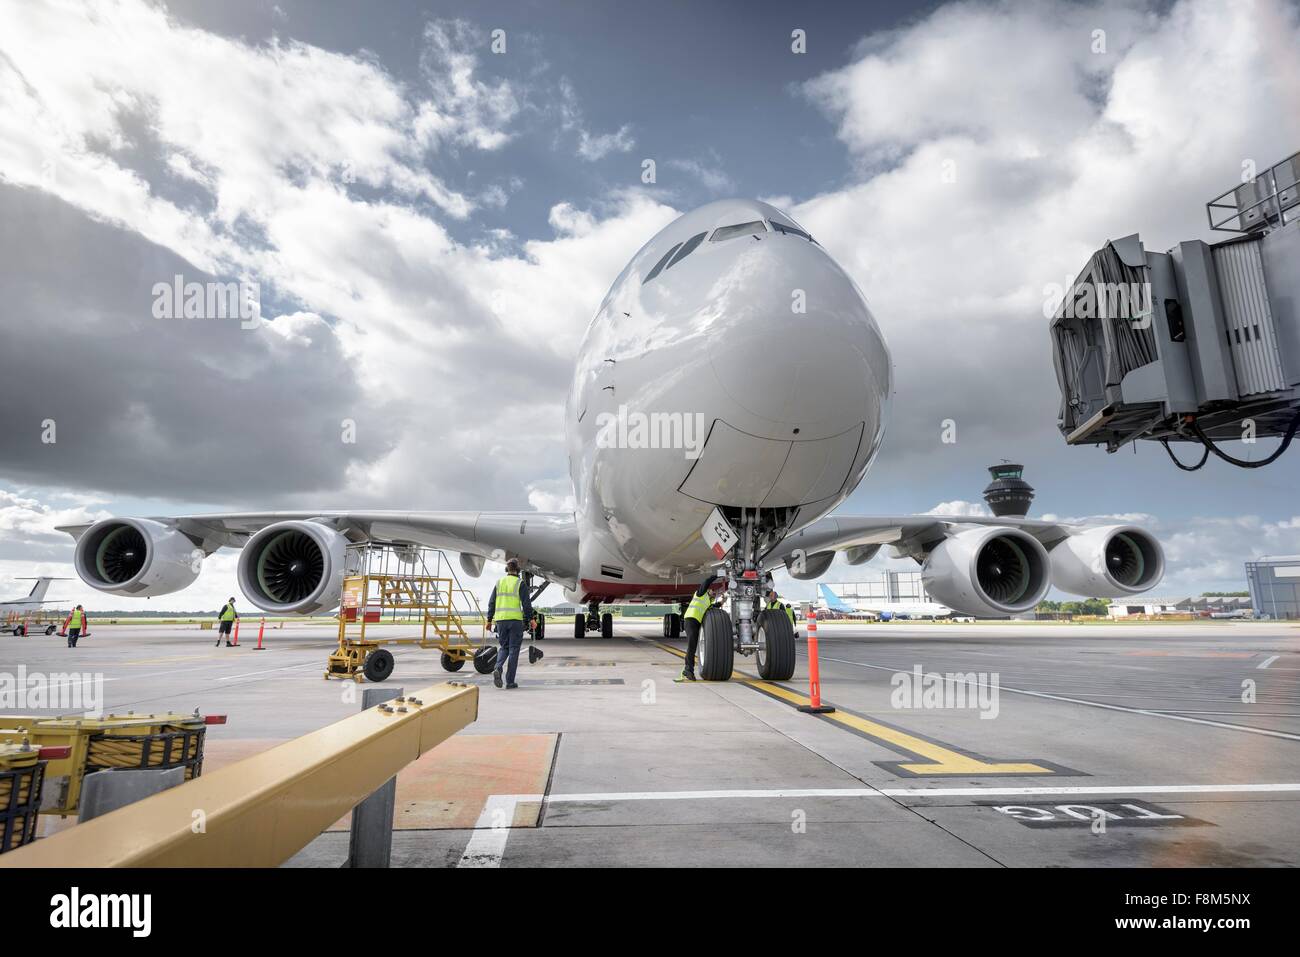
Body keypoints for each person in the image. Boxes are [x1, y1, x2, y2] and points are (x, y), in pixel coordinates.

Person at [485, 558, 533, 690]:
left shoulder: (499, 583)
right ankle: (510, 681)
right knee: (514, 650)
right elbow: (526, 604)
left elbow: (492, 602)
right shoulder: (519, 583)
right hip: (515, 621)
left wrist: (489, 620)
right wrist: (531, 619)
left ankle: (497, 667)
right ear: (518, 570)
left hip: (500, 621)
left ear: (507, 569)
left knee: (504, 647)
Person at [676, 572, 719, 682]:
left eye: (714, 592)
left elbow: (714, 606)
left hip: (695, 623)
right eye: (712, 590)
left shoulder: (708, 603)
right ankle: (687, 670)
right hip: (690, 620)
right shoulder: (701, 594)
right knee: (691, 646)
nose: (713, 592)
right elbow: (706, 582)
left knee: (693, 646)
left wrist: (722, 601)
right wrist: (716, 575)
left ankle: (688, 670)